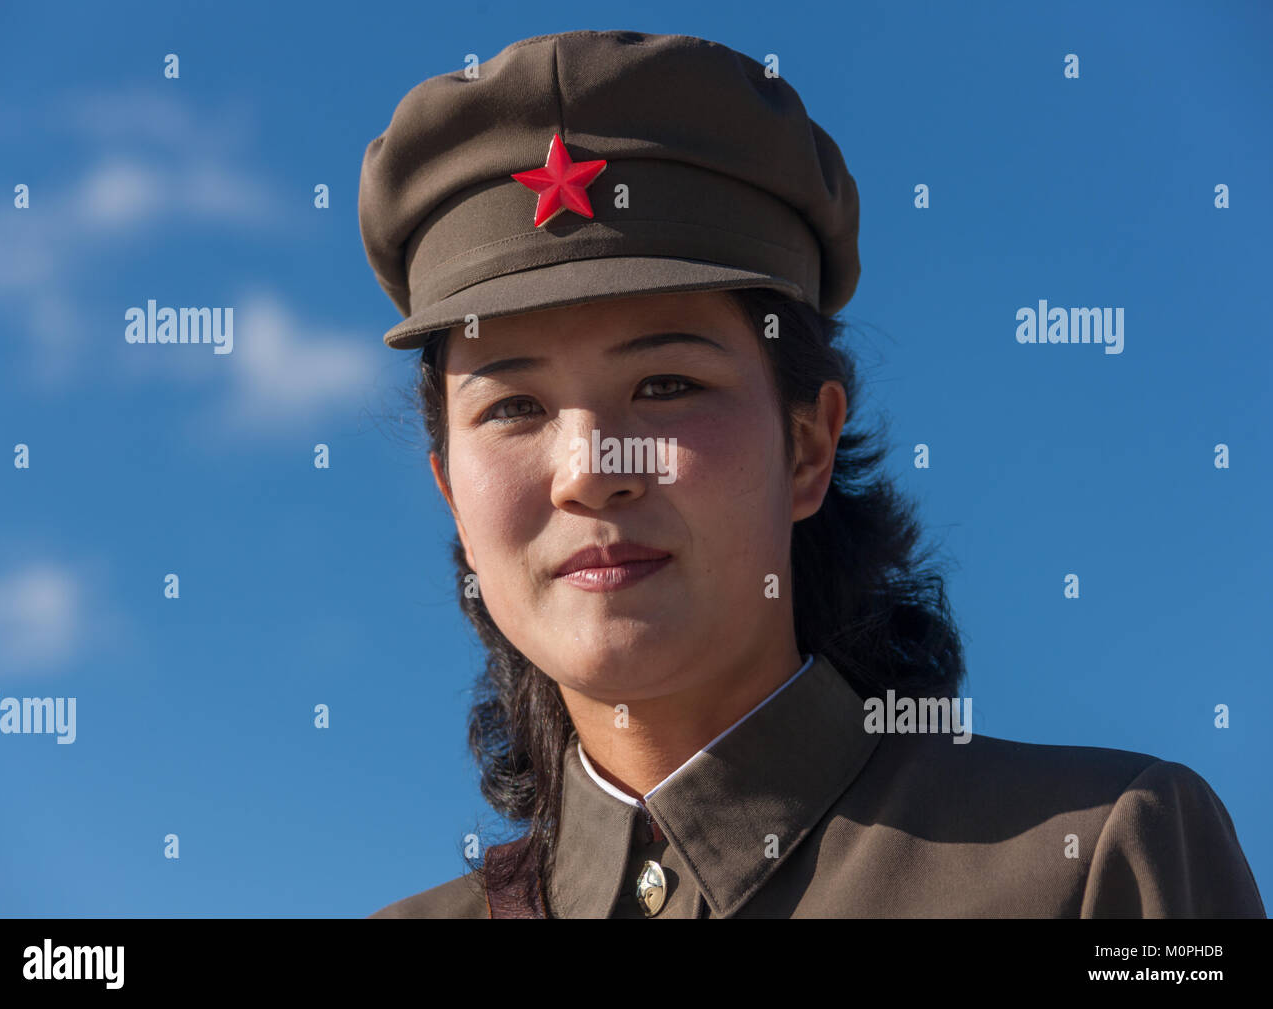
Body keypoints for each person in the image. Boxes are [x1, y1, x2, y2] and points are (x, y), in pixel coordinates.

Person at [357, 30, 1265, 918]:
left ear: (809, 446)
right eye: (514, 406)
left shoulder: (1098, 859)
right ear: (450, 489)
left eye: (667, 384)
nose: (591, 472)